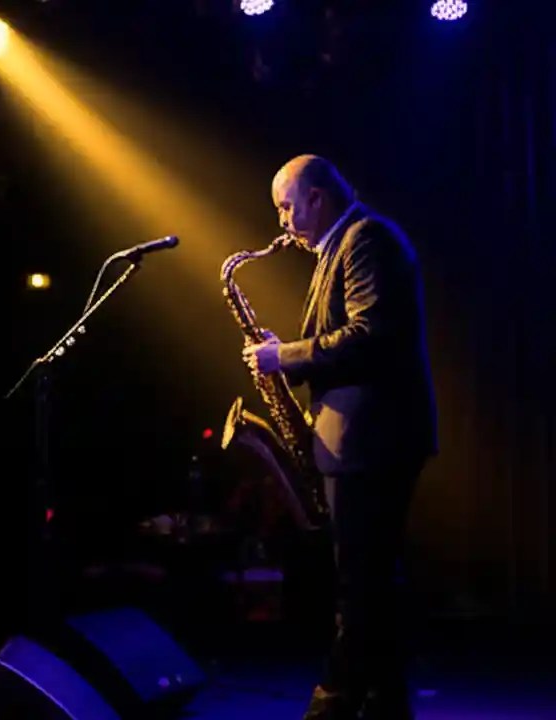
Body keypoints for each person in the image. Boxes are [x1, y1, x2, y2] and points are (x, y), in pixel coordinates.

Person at [242, 155, 437, 720]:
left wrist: (286, 357)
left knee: (360, 586)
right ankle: (384, 705)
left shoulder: (364, 237)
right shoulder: (344, 243)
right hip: (363, 438)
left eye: (286, 207)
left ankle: (333, 703)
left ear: (316, 199)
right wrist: (287, 356)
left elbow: (371, 333)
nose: (282, 223)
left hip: (372, 438)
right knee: (370, 582)